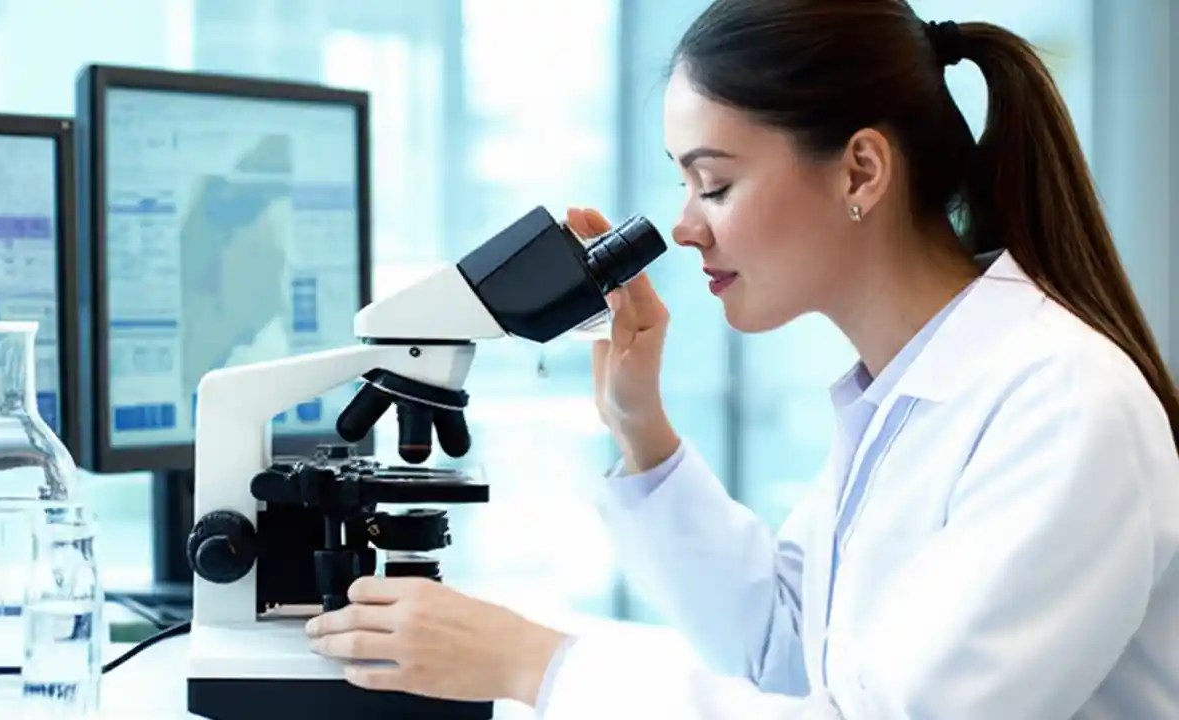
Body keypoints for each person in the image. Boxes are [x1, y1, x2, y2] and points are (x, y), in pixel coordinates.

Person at [303, 0, 1179, 717]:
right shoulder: (908, 391)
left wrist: (538, 666)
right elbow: (785, 647)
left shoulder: (1061, 405)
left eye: (714, 183)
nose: (684, 227)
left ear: (861, 172)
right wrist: (640, 431)